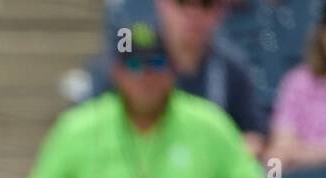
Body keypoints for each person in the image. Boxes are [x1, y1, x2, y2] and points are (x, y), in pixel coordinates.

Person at [29, 16, 272, 178]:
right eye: (134, 64)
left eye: (156, 63)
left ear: (173, 71)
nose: (146, 76)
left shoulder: (211, 124)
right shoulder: (77, 127)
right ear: (118, 73)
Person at [88, 0, 268, 152]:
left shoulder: (232, 68)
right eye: (182, 2)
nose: (193, 13)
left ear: (219, 10)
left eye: (205, 4)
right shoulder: (129, 62)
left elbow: (253, 135)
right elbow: (92, 124)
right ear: (162, 4)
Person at [267, 6, 326, 171]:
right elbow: (281, 147)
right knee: (273, 162)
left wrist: (302, 152)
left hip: (303, 163)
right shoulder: (298, 81)